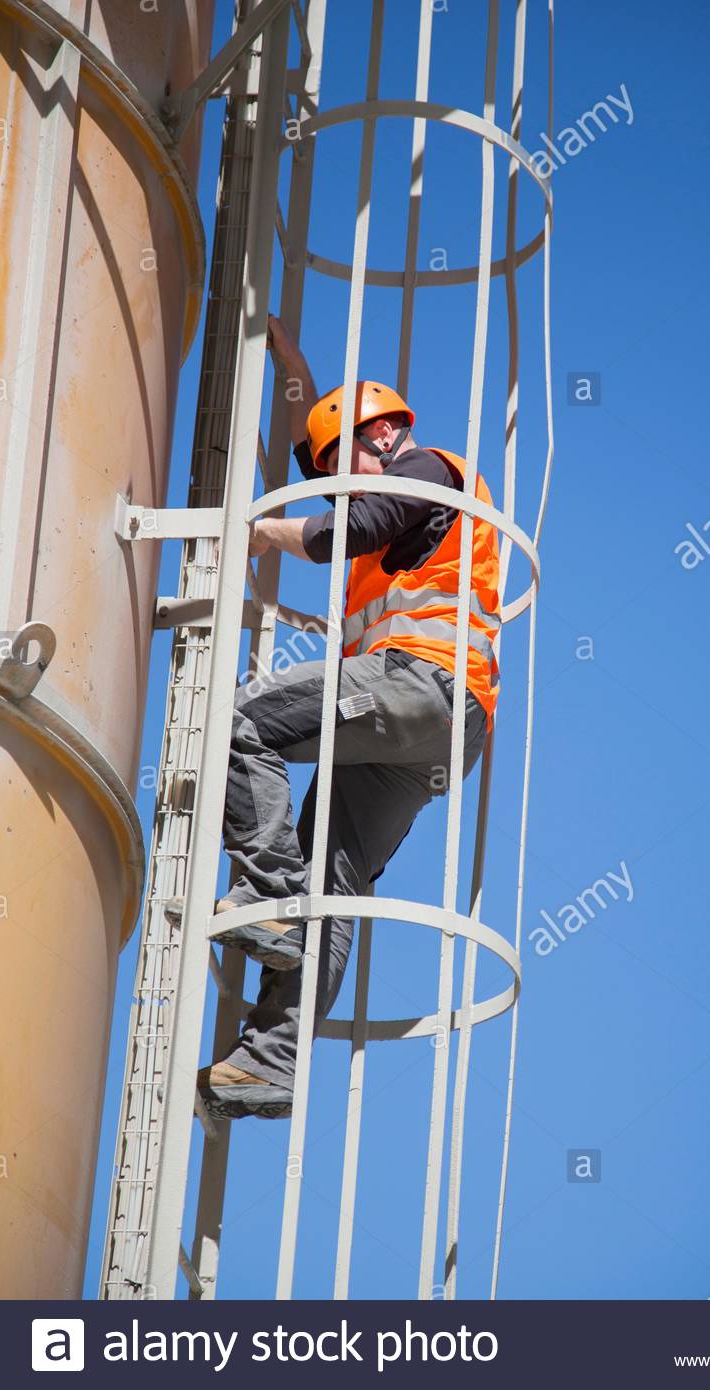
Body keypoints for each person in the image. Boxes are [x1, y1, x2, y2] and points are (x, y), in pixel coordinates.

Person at [194, 317, 502, 1119]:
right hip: (426, 732)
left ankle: (271, 893)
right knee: (331, 880)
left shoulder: (427, 468)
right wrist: (294, 366)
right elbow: (323, 453)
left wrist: (261, 532)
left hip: (418, 686)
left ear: (392, 432)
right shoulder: (378, 488)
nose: (340, 480)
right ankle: (270, 1064)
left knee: (241, 719)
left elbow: (343, 527)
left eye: (348, 461)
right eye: (329, 469)